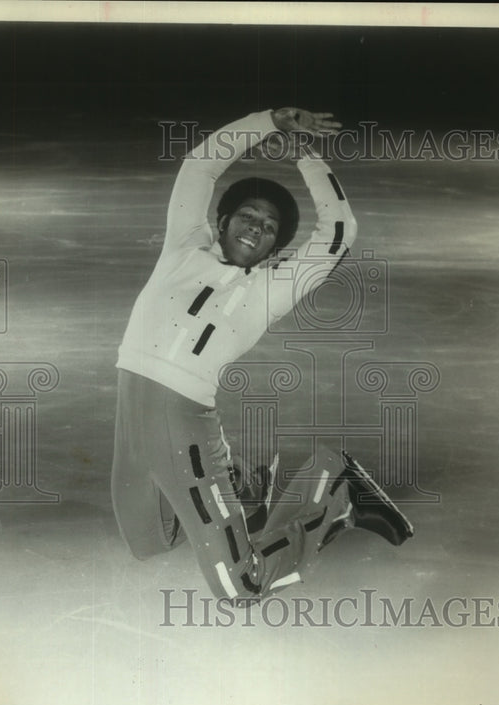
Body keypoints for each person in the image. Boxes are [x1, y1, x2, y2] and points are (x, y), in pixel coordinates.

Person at [111, 107, 413, 604]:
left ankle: (334, 483)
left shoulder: (272, 288)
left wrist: (307, 159)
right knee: (149, 544)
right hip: (132, 417)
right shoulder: (183, 248)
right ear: (223, 221)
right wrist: (269, 121)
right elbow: (199, 166)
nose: (256, 227)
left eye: (270, 227)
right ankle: (244, 486)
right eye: (248, 217)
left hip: (186, 427)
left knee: (242, 585)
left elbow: (338, 231)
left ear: (275, 246)